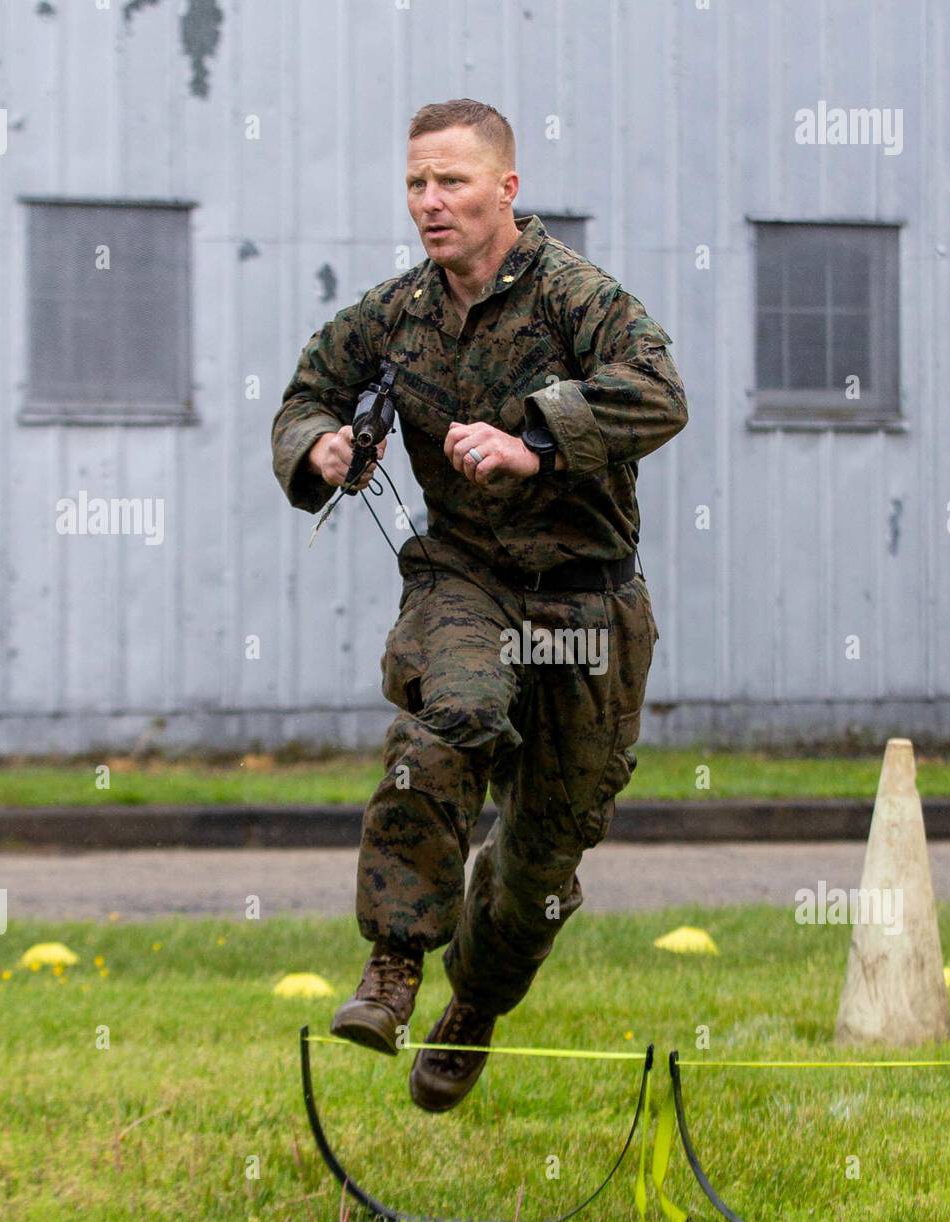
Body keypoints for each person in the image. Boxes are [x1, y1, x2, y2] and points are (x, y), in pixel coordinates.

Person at [271, 98, 687, 1113]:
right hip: (464, 575)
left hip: (586, 601)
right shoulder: (395, 313)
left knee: (544, 855)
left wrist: (532, 440)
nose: (428, 202)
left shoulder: (576, 297)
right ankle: (395, 959)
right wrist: (320, 447)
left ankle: (475, 1002)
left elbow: (659, 393)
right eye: (416, 182)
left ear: (505, 188)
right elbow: (305, 395)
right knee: (451, 714)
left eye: (450, 181)